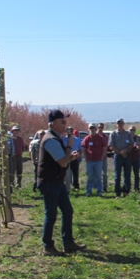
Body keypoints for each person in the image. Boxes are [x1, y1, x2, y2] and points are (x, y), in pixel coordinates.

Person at [39, 109, 87, 254]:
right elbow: (62, 163)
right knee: (51, 215)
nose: (65, 124)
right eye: (62, 122)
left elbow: (63, 160)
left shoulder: (55, 137)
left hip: (56, 181)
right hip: (50, 182)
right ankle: (48, 246)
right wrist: (69, 146)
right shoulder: (51, 140)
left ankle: (68, 243)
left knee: (67, 211)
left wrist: (70, 156)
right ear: (53, 124)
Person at [109, 118, 134, 197]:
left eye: (121, 123)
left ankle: (126, 192)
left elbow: (131, 144)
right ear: (116, 124)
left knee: (127, 175)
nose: (120, 125)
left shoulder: (128, 133)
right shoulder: (113, 134)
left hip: (127, 156)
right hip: (118, 156)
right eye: (118, 123)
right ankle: (118, 193)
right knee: (117, 176)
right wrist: (120, 152)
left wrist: (126, 150)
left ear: (123, 124)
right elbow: (111, 146)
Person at [83, 123, 109, 196]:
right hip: (90, 161)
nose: (92, 130)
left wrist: (102, 157)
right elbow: (84, 149)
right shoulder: (87, 138)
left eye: (93, 128)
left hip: (98, 161)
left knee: (98, 176)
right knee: (90, 176)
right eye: (90, 128)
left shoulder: (100, 138)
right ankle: (89, 190)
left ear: (95, 129)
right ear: (89, 129)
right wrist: (86, 158)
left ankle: (99, 191)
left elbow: (104, 148)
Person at [68, 127, 85, 192]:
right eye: (68, 131)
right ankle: (68, 186)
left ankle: (76, 186)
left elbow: (81, 150)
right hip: (67, 158)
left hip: (75, 158)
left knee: (75, 173)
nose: (70, 132)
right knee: (67, 174)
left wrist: (78, 156)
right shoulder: (64, 139)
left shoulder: (77, 140)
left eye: (71, 131)